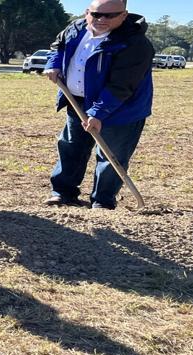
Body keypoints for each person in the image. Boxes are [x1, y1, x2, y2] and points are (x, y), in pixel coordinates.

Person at [42, 0, 154, 209]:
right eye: (97, 14)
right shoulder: (75, 28)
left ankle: (102, 202)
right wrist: (54, 64)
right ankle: (63, 193)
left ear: (123, 15)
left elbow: (121, 86)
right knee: (71, 147)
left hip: (121, 107)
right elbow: (58, 47)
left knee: (111, 156)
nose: (102, 19)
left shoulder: (135, 44)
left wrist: (98, 113)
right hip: (78, 101)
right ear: (87, 13)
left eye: (111, 16)